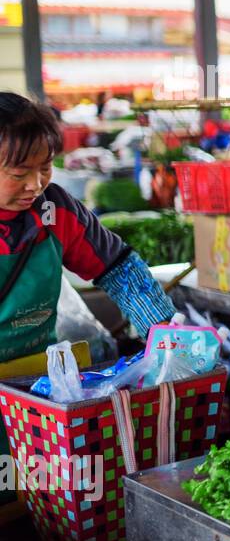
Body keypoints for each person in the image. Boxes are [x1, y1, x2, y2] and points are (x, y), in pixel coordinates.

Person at [0, 94, 176, 366]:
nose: (36, 185)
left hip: (36, 376)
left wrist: (163, 334)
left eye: (45, 168)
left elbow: (120, 269)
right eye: (19, 174)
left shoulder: (57, 209)